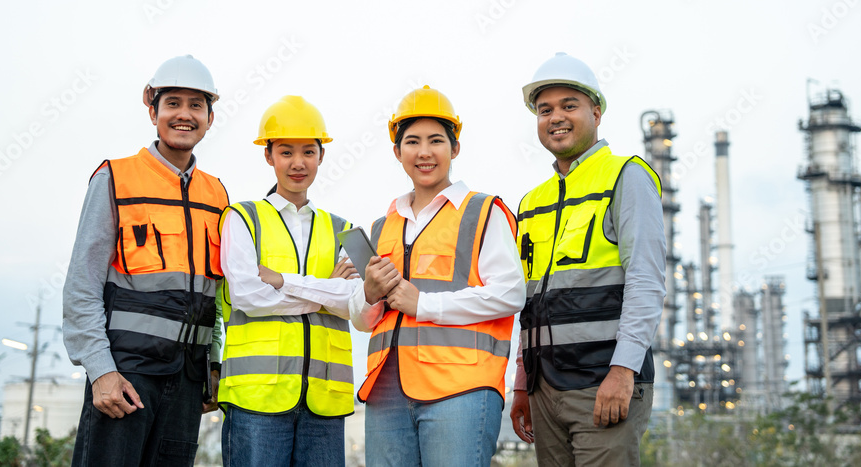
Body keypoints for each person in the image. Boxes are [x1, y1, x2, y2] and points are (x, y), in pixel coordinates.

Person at [63, 55, 228, 466]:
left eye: (196, 105)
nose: (184, 115)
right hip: (126, 379)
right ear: (152, 109)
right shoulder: (115, 179)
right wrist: (101, 371)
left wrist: (213, 367)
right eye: (173, 103)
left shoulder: (218, 196)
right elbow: (81, 287)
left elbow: (217, 296)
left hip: (188, 385)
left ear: (209, 116)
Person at [349, 86, 525, 467]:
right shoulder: (383, 226)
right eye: (412, 141)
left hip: (461, 389)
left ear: (455, 148)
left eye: (436, 141)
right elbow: (366, 322)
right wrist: (368, 294)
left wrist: (425, 304)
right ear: (397, 152)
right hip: (387, 390)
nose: (424, 152)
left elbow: (511, 293)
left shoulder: (483, 212)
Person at [509, 52, 666, 467]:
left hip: (603, 383)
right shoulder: (532, 202)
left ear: (596, 112)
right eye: (545, 110)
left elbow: (646, 281)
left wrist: (623, 371)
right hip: (546, 391)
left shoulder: (625, 177)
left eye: (569, 106)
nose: (555, 117)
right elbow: (528, 302)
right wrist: (523, 384)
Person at [218, 96, 359, 467]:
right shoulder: (242, 219)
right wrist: (325, 287)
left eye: (308, 151)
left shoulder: (343, 229)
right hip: (256, 401)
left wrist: (282, 281)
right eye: (286, 151)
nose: (298, 163)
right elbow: (248, 296)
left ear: (321, 156)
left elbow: (357, 305)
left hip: (324, 402)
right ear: (269, 156)